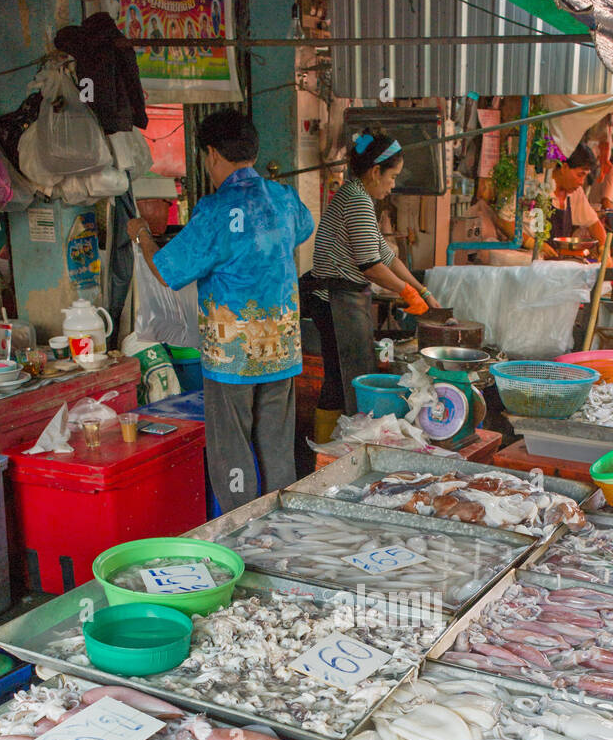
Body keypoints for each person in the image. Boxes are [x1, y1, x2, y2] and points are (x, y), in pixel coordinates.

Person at [128, 110, 314, 510]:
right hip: (281, 349)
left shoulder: (213, 211)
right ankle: (284, 526)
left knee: (233, 451)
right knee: (278, 448)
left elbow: (167, 270)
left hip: (231, 358)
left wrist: (141, 233)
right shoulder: (283, 199)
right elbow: (303, 229)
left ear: (212, 154)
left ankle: (241, 531)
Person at [310, 128, 440, 427]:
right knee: (344, 381)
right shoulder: (356, 199)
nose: (392, 185)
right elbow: (370, 265)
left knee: (343, 378)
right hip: (335, 300)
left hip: (343, 299)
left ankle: (334, 446)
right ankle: (331, 451)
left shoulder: (356, 196)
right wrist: (407, 292)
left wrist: (422, 290)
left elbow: (385, 255)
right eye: (392, 177)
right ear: (375, 171)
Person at [543, 144, 608, 260]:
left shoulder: (575, 192)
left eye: (585, 176)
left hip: (557, 264)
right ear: (564, 168)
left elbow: (594, 224)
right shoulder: (539, 187)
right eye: (580, 175)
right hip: (530, 263)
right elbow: (505, 220)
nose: (581, 182)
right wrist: (532, 242)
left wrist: (604, 250)